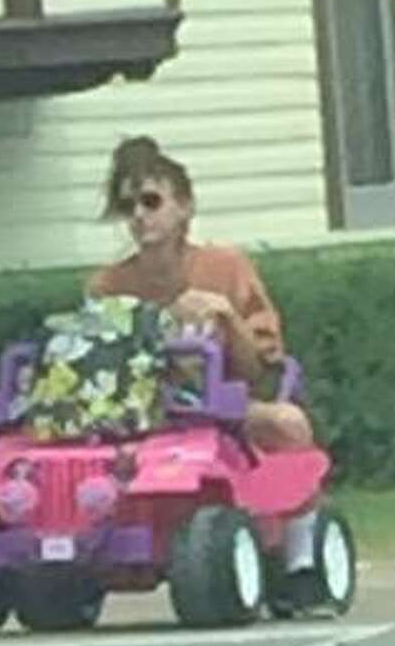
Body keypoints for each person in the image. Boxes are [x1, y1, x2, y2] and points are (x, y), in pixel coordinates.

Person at [87, 137, 316, 455]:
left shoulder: (227, 266)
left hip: (229, 411)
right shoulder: (108, 285)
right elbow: (101, 377)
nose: (139, 214)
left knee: (287, 423)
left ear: (185, 206)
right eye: (128, 207)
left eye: (151, 202)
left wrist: (227, 317)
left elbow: (262, 376)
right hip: (144, 416)